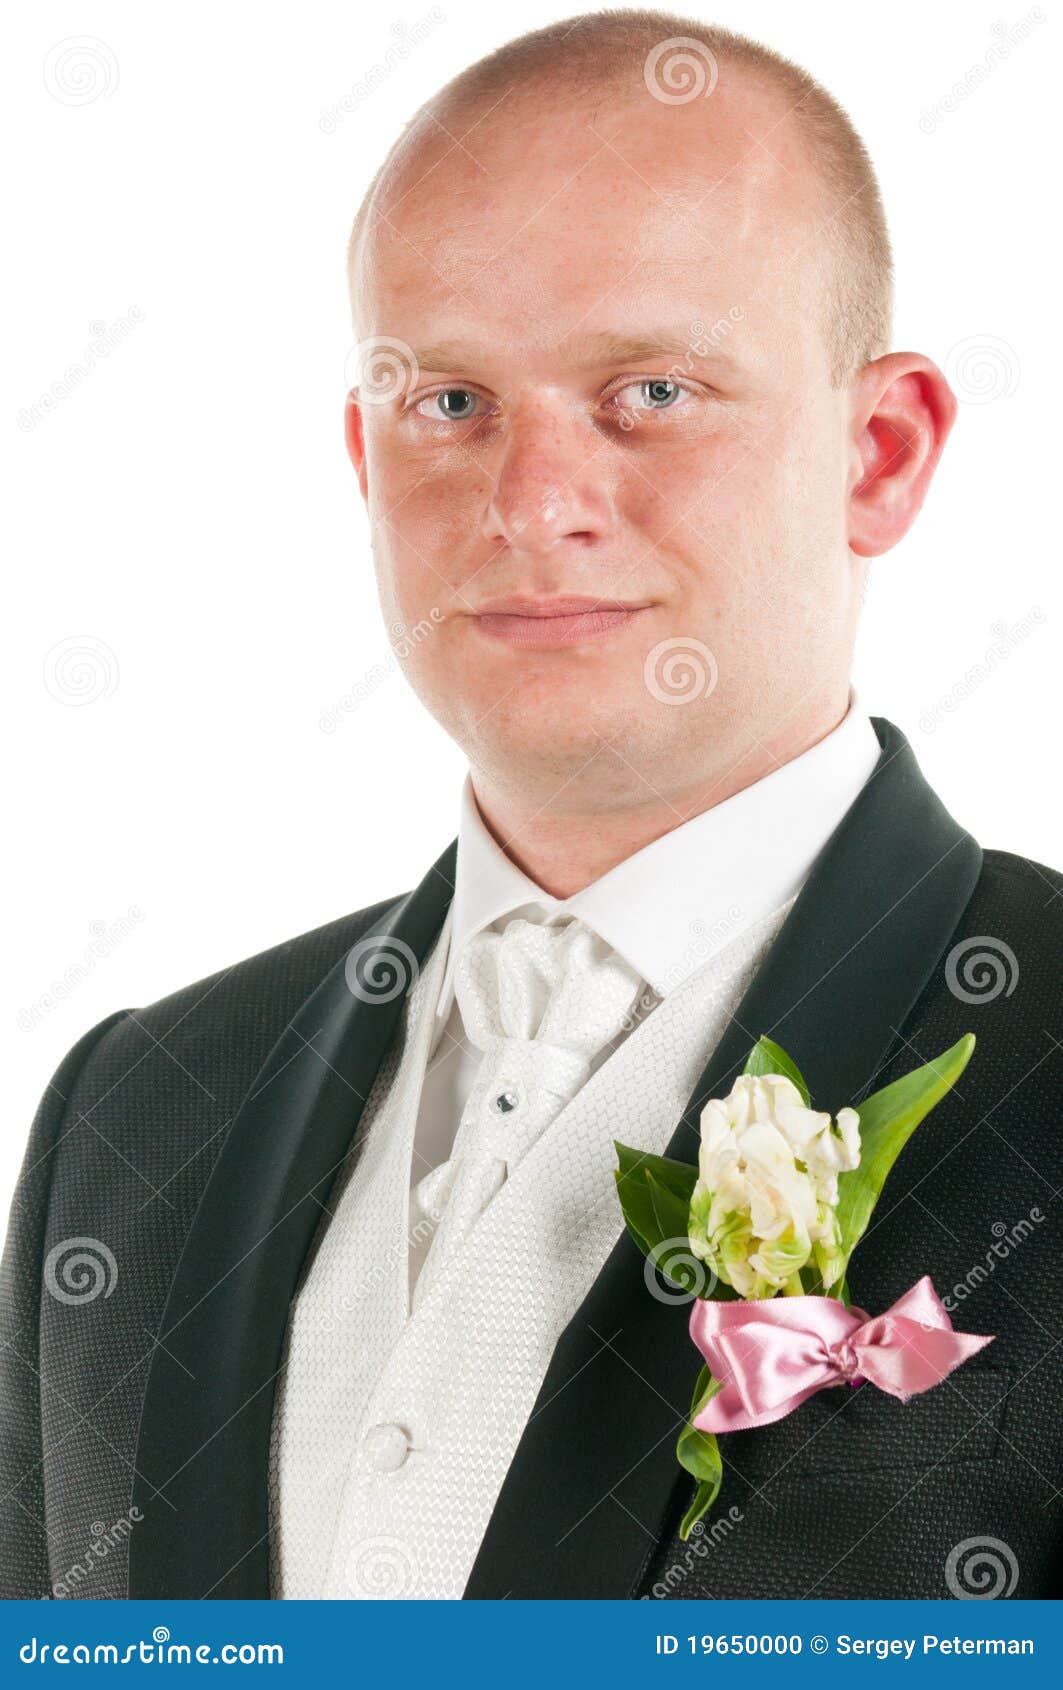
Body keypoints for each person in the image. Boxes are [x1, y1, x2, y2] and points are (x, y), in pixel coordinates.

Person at [3, 10, 1060, 1602]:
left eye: (650, 389)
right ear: (365, 455)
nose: (532, 502)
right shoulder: (133, 1108)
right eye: (450, 404)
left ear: (880, 452)